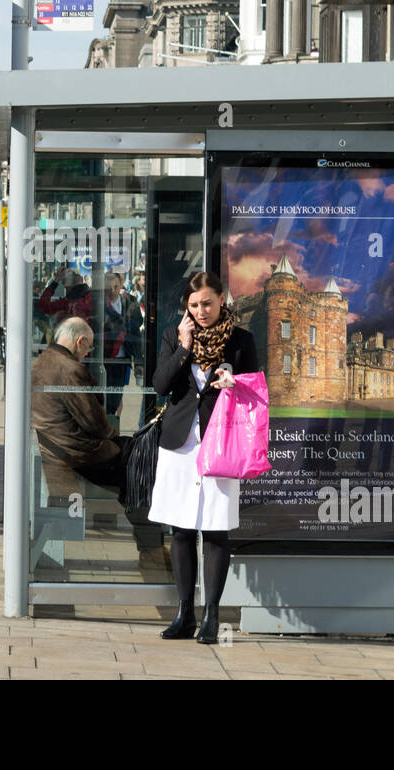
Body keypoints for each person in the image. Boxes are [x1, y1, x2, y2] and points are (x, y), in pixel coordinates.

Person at [150, 271, 259, 645]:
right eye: (194, 305)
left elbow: (259, 390)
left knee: (214, 528)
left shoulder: (242, 341)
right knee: (181, 529)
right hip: (181, 444)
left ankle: (212, 615)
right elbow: (160, 385)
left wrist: (235, 382)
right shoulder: (173, 335)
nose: (201, 311)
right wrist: (183, 346)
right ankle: (185, 613)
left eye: (207, 303)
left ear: (222, 299)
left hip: (221, 442)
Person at [30, 317, 161, 561]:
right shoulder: (71, 369)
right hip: (79, 450)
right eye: (88, 347)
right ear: (80, 341)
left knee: (133, 461)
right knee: (140, 467)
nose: (87, 353)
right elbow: (95, 422)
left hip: (57, 445)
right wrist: (116, 437)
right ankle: (151, 549)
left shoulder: (42, 361)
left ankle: (150, 545)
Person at [102, 273, 143, 417]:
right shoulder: (100, 304)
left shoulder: (128, 302)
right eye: (108, 287)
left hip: (121, 358)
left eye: (115, 287)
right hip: (103, 357)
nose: (112, 290)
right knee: (101, 397)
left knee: (115, 396)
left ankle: (112, 422)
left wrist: (138, 361)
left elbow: (136, 330)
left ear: (120, 286)